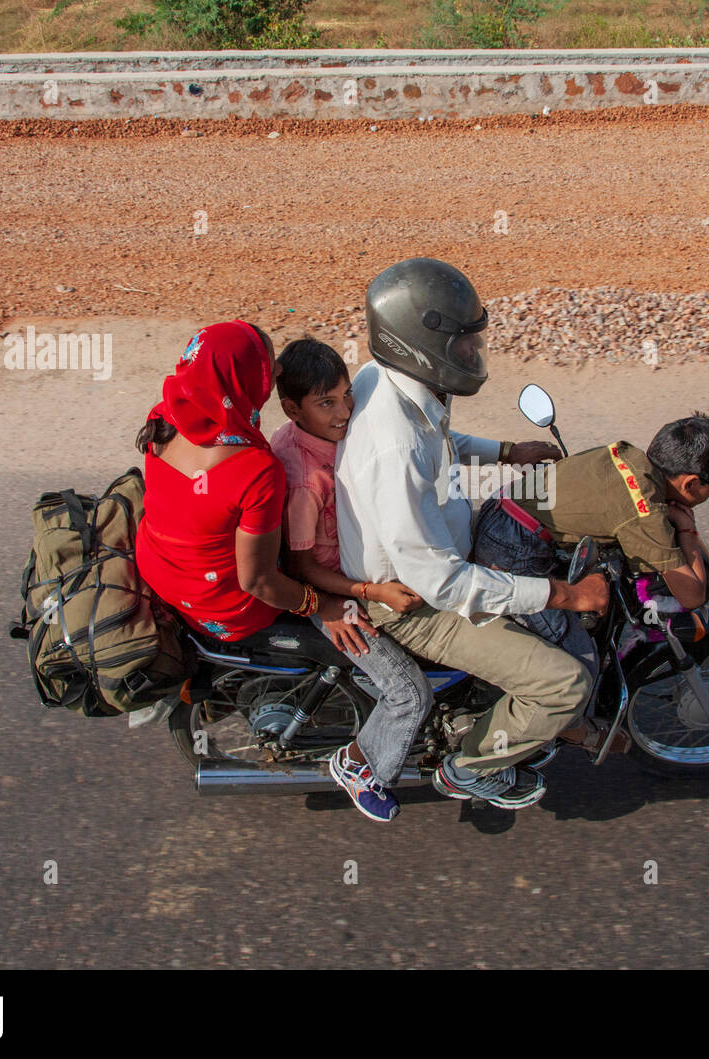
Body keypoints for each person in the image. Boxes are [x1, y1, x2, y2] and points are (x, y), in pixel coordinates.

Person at [334, 258, 609, 811]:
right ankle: (469, 768)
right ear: (418, 342)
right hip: (416, 603)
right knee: (564, 685)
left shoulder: (386, 378)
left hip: (442, 554)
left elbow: (439, 440)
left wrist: (508, 451)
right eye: (462, 345)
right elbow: (439, 583)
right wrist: (565, 594)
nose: (470, 354)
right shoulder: (394, 448)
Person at [471, 414, 709, 750]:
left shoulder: (625, 453)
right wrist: (686, 529)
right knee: (577, 663)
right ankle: (568, 727)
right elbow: (693, 594)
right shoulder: (645, 515)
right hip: (513, 551)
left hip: (505, 516)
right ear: (691, 484)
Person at [133, 320, 376, 670]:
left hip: (160, 573)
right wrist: (324, 605)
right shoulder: (256, 469)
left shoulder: (165, 415)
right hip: (226, 610)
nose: (277, 371)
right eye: (267, 366)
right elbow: (257, 581)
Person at [269, 335, 433, 824]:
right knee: (409, 693)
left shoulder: (328, 436)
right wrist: (368, 593)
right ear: (292, 409)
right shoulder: (304, 479)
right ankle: (361, 765)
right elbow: (301, 568)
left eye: (346, 396)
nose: (343, 412)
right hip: (329, 592)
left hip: (355, 567)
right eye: (326, 403)